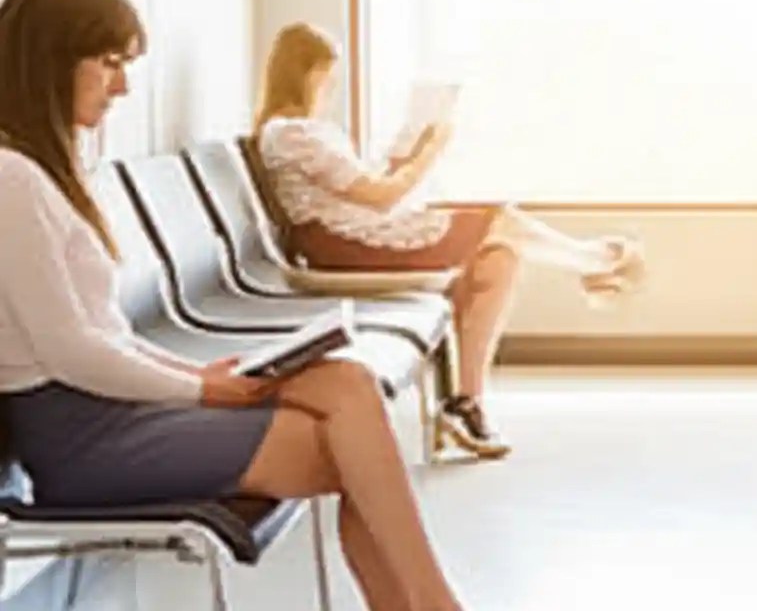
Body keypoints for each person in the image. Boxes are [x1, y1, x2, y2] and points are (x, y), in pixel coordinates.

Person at [0, 0, 464, 611]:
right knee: (350, 452)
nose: (124, 86)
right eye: (109, 62)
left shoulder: (43, 173)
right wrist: (201, 388)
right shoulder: (11, 179)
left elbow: (105, 330)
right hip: (84, 437)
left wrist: (200, 376)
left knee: (346, 383)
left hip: (112, 406)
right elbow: (72, 351)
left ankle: (430, 605)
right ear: (49, 59)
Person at [251, 23, 645, 460]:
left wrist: (407, 151)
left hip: (355, 235)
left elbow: (369, 187)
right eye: (328, 78)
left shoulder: (303, 132)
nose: (331, 89)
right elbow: (382, 198)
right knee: (499, 220)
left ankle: (466, 402)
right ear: (306, 75)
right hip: (345, 245)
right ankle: (597, 263)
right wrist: (430, 151)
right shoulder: (292, 133)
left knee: (500, 256)